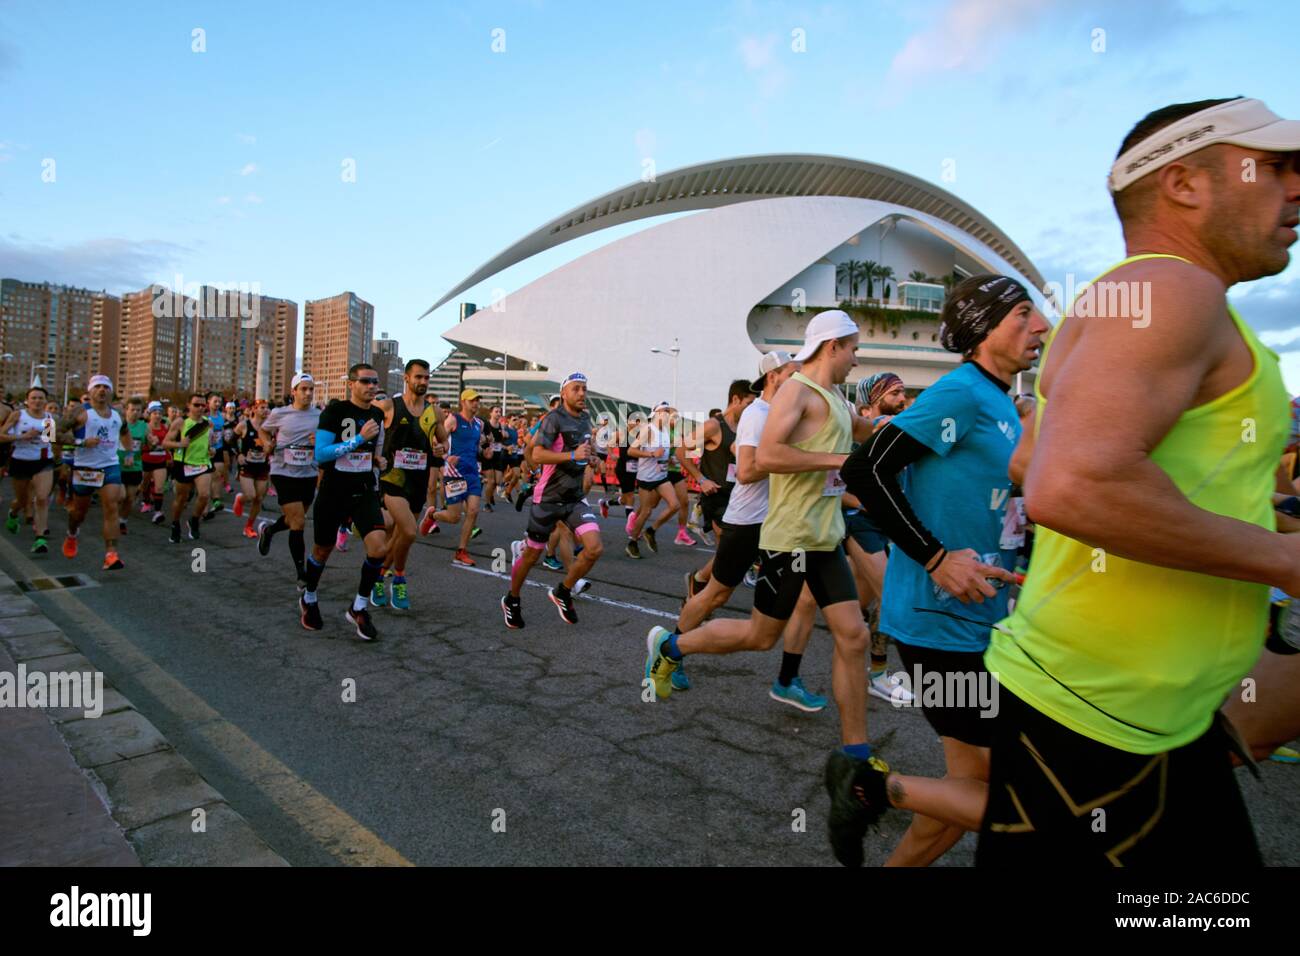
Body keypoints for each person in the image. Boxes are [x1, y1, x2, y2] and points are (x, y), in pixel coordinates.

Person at [980, 97, 1300, 867]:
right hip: (1102, 723)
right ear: (1185, 183)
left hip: (1133, 716)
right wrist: (1285, 562)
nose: (1297, 189)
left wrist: (1273, 521)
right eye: (1278, 167)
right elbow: (1075, 486)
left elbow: (1035, 465)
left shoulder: (1151, 297)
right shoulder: (1169, 292)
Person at [641, 311, 878, 852]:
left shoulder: (839, 401)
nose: (857, 359)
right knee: (758, 636)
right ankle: (671, 646)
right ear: (833, 345)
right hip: (789, 540)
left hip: (825, 538)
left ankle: (856, 763)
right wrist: (839, 458)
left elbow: (870, 434)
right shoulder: (797, 390)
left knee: (854, 635)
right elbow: (766, 456)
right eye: (853, 350)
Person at [837, 276, 1046, 867]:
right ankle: (866, 788)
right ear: (983, 329)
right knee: (1011, 793)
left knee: (968, 789)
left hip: (985, 621)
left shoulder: (1001, 402)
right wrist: (935, 556)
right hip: (940, 627)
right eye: (1023, 315)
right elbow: (866, 469)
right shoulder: (961, 393)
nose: (1042, 328)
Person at [644, 352, 829, 708]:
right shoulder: (758, 415)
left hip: (779, 523)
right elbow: (746, 471)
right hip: (747, 522)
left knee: (805, 597)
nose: (800, 379)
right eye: (793, 373)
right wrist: (788, 461)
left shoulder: (779, 415)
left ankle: (788, 677)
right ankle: (671, 648)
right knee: (718, 595)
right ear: (774, 376)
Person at [502, 373, 603, 628]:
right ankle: (512, 599)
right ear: (564, 393)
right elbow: (536, 454)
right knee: (532, 556)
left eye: (584, 389)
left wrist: (592, 458)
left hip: (574, 497)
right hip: (548, 498)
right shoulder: (553, 419)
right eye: (576, 389)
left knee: (594, 548)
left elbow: (583, 451)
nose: (582, 394)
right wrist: (572, 455)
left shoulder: (585, 419)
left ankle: (563, 591)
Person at [299, 363, 387, 640]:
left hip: (363, 491)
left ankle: (359, 607)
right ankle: (309, 596)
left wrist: (377, 459)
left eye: (375, 382)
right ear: (351, 384)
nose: (371, 386)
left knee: (378, 548)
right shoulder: (335, 411)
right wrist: (359, 439)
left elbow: (373, 451)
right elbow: (322, 455)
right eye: (365, 382)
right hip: (334, 491)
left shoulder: (376, 414)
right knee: (322, 550)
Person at [681, 380, 754, 599]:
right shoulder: (714, 425)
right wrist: (701, 478)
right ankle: (701, 590)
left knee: (727, 556)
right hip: (717, 498)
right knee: (730, 552)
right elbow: (681, 450)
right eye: (749, 403)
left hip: (738, 496)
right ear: (735, 399)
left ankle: (700, 590)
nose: (752, 409)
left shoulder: (744, 426)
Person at [374, 359, 437, 610]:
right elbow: (361, 418)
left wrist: (441, 447)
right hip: (392, 480)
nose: (422, 382)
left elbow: (440, 441)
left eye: (426, 378)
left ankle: (378, 575)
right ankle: (399, 578)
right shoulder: (390, 405)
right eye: (418, 377)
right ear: (407, 379)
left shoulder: (434, 412)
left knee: (401, 537)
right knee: (410, 531)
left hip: (417, 482)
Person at [60, 374, 131, 569]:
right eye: (97, 387)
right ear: (90, 390)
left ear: (111, 392)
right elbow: (49, 433)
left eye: (106, 387)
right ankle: (72, 534)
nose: (102, 390)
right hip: (85, 468)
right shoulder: (79, 412)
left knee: (111, 507)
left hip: (110, 465)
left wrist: (129, 451)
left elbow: (125, 432)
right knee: (79, 512)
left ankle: (111, 554)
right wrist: (80, 442)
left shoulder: (118, 414)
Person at [257, 373, 320, 590]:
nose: (308, 393)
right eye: (303, 389)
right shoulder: (279, 413)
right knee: (299, 522)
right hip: (283, 471)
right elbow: (264, 430)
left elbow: (326, 440)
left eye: (311, 389)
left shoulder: (319, 414)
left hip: (308, 472)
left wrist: (318, 440)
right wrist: (267, 443)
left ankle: (269, 531)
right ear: (294, 391)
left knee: (295, 519)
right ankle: (301, 574)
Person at [425, 388, 485, 566]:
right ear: (463, 402)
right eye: (472, 400)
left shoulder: (479, 424)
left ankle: (461, 551)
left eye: (477, 400)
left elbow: (475, 447)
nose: (475, 403)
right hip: (454, 474)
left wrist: (485, 452)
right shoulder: (453, 420)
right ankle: (433, 516)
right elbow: (436, 441)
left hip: (472, 473)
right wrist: (445, 457)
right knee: (454, 517)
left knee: (473, 511)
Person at [1, 386, 57, 553]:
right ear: (27, 400)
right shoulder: (18, 415)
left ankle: (40, 538)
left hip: (43, 461)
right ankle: (13, 512)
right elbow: (1, 435)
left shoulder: (48, 418)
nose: (37, 401)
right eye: (34, 398)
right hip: (21, 461)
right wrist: (21, 437)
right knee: (23, 500)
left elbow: (49, 441)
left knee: (41, 498)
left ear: (45, 401)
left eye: (41, 398)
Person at [624, 402, 677, 558]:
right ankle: (632, 542)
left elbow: (662, 453)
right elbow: (631, 450)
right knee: (646, 511)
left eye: (668, 412)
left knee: (675, 505)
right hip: (646, 478)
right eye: (663, 411)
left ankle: (650, 531)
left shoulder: (665, 431)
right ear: (655, 414)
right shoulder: (648, 430)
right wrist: (652, 455)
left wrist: (669, 460)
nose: (666, 414)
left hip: (661, 476)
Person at [163, 393, 214, 544]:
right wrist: (179, 444)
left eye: (202, 405)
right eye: (196, 405)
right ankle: (175, 523)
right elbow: (165, 443)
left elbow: (208, 444)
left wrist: (211, 450)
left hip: (202, 463)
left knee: (204, 495)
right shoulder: (180, 423)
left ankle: (194, 520)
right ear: (189, 406)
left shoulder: (208, 423)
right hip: (184, 464)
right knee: (181, 499)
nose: (200, 408)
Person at [232, 401, 271, 538]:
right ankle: (240, 499)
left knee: (259, 498)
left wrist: (271, 451)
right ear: (254, 409)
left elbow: (275, 444)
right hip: (247, 465)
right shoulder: (244, 425)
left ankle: (248, 526)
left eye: (267, 408)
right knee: (250, 495)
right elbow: (230, 441)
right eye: (262, 408)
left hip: (263, 466)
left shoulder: (270, 428)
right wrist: (239, 454)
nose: (265, 410)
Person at [117, 397, 148, 536]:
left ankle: (122, 520)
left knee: (130, 497)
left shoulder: (143, 426)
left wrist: (153, 441)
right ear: (126, 411)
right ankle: (113, 518)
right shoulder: (119, 424)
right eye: (132, 410)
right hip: (118, 465)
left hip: (135, 466)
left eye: (138, 410)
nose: (135, 412)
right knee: (120, 496)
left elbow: (148, 442)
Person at [140, 401, 169, 521]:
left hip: (160, 460)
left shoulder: (165, 427)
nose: (157, 415)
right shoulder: (144, 427)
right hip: (146, 459)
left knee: (159, 487)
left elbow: (167, 444)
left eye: (159, 413)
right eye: (155, 413)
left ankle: (158, 512)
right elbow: (139, 444)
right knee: (144, 486)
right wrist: (150, 444)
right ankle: (147, 502)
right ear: (150, 414)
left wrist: (168, 456)